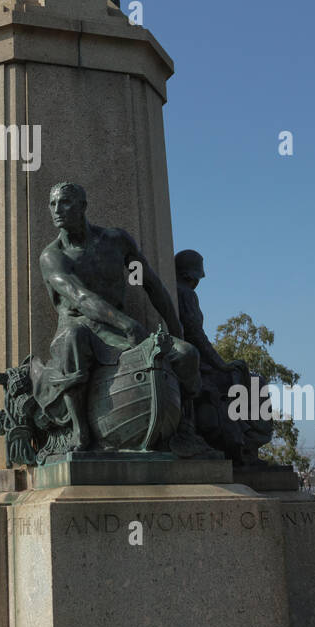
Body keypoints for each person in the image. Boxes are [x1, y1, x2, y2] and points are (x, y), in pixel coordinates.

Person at [33, 184, 200, 450]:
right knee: (72, 339)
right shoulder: (53, 256)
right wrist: (127, 323)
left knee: (187, 354)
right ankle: (80, 431)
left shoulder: (116, 242)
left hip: (120, 332)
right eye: (52, 204)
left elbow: (151, 284)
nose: (56, 210)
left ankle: (186, 427)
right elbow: (81, 298)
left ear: (83, 206)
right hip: (82, 330)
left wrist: (175, 329)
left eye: (64, 203)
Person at [174, 250, 273, 466]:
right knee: (255, 383)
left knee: (246, 379)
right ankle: (248, 446)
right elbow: (196, 335)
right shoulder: (186, 294)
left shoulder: (175, 292)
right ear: (191, 275)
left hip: (193, 365)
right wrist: (222, 365)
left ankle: (244, 442)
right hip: (196, 369)